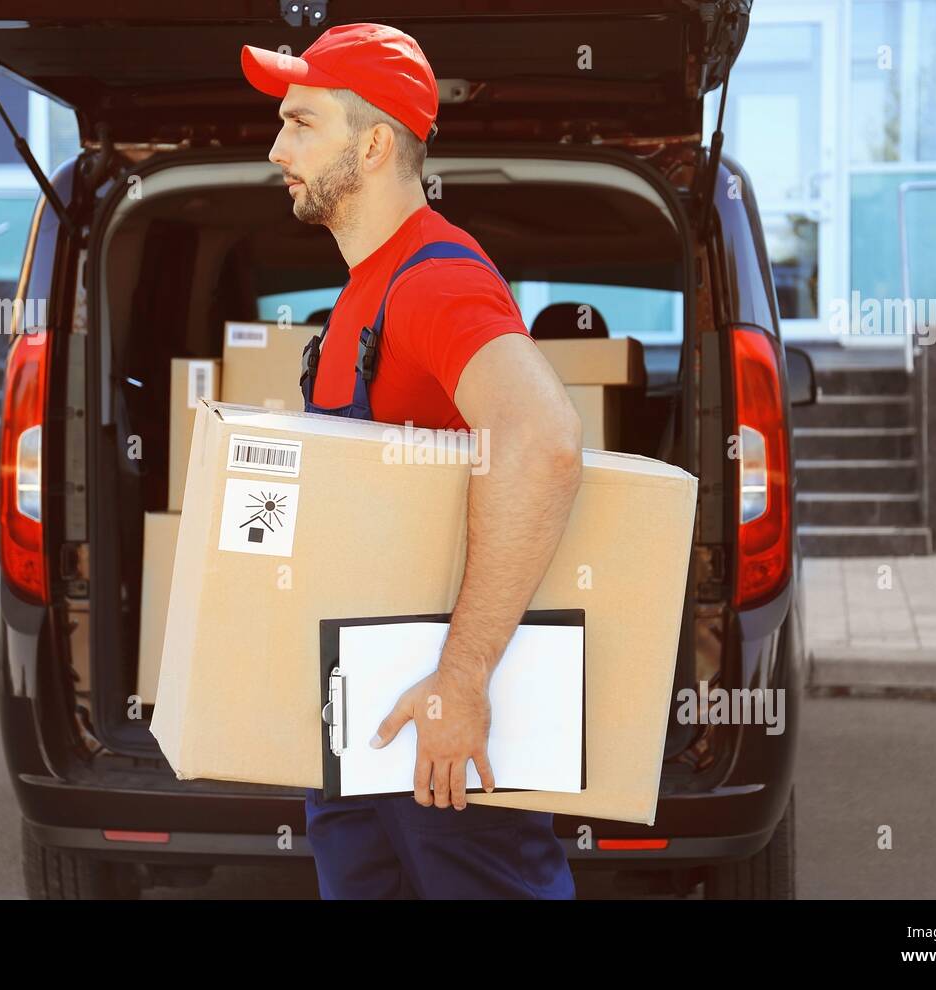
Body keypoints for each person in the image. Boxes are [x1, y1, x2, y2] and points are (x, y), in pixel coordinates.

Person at [240, 22, 583, 900]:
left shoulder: (436, 280)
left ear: (377, 142)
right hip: (365, 719)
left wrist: (462, 679)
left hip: (436, 729)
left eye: (302, 124)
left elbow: (542, 443)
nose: (276, 147)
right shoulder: (362, 292)